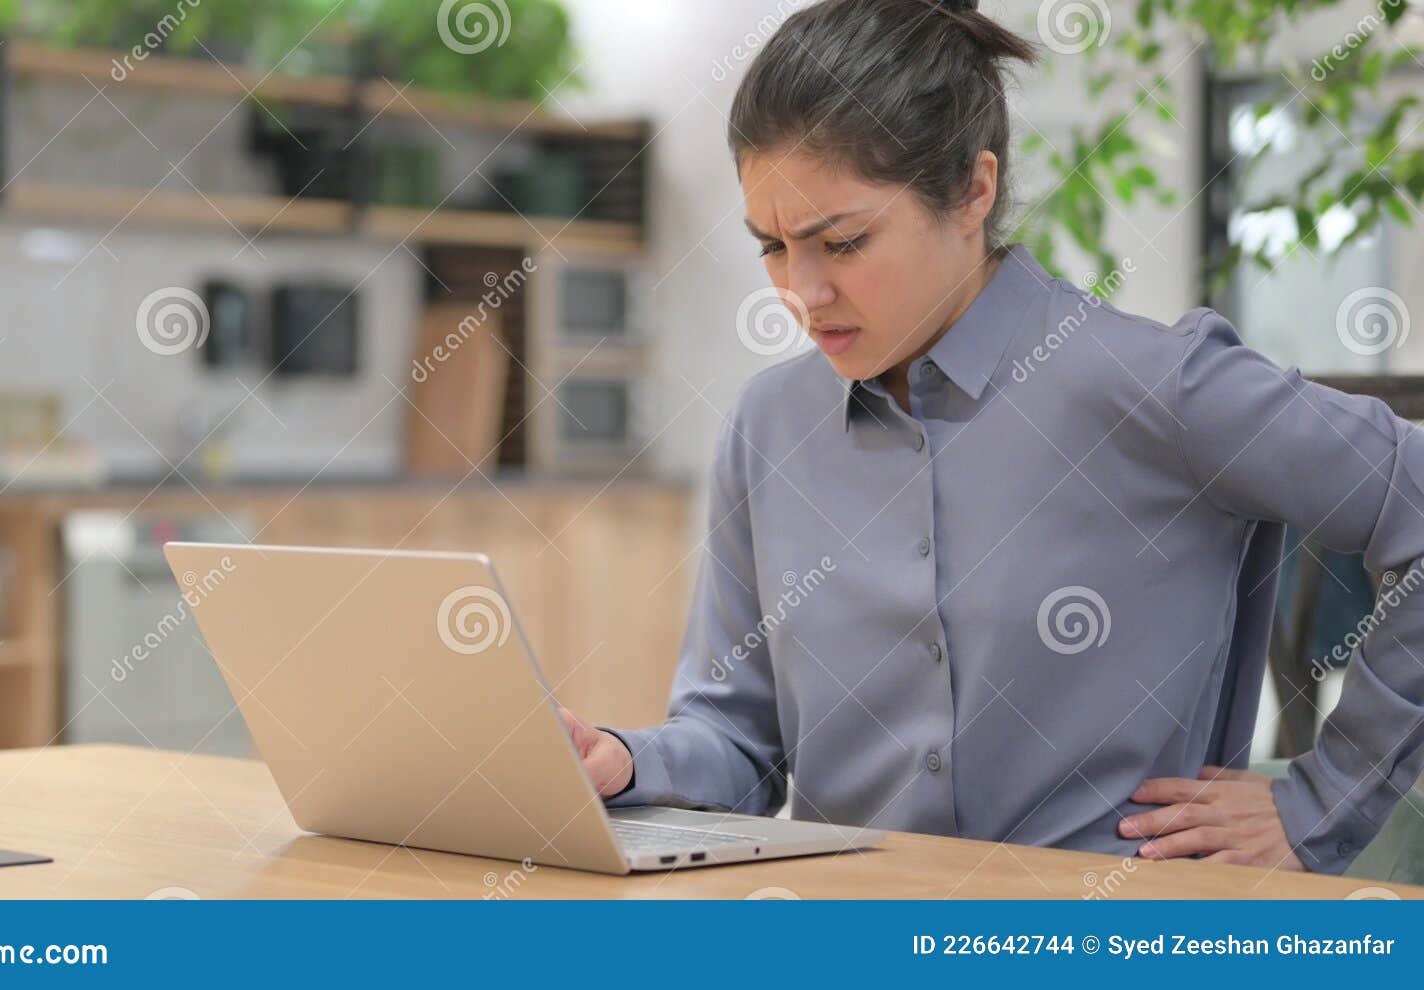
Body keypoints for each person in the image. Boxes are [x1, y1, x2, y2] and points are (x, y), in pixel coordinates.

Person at [558, 0, 1424, 875]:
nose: (803, 294)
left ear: (973, 190)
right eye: (773, 248)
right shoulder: (768, 426)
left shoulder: (1158, 386)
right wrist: (626, 762)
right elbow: (738, 743)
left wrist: (1321, 802)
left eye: (843, 242)